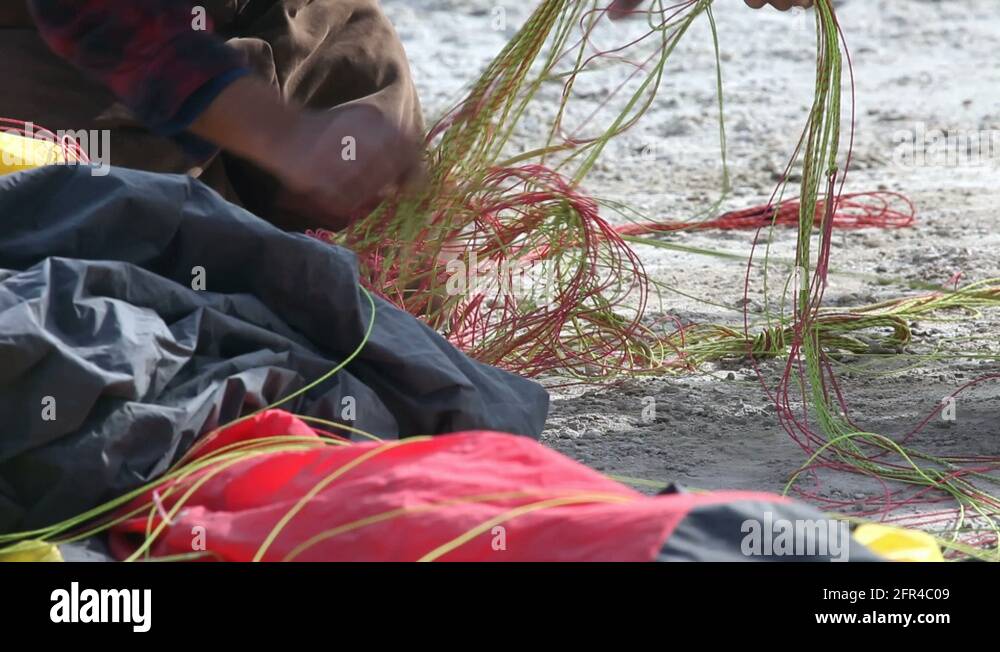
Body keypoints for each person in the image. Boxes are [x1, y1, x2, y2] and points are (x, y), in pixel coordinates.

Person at [1, 1, 812, 230]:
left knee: (367, 103)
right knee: (108, 233)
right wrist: (282, 137)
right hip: (67, 34)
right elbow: (97, 17)